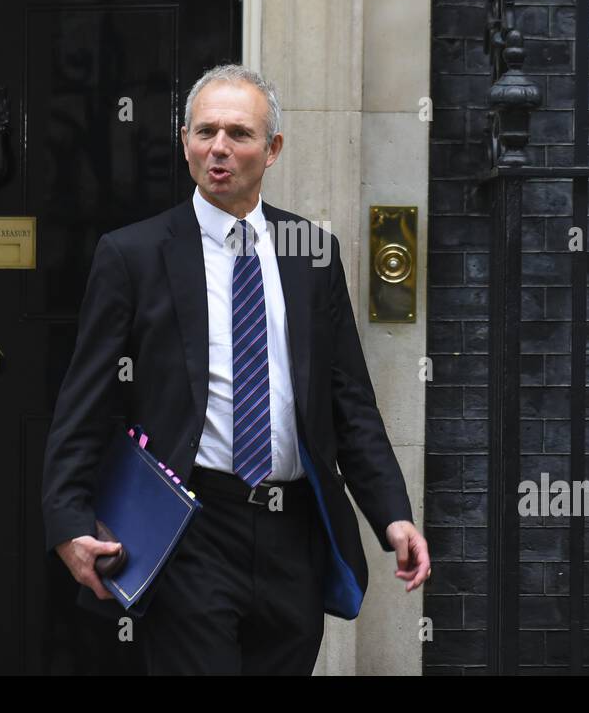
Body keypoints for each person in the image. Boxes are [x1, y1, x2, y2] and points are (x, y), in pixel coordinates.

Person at [41, 63, 430, 675]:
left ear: (272, 149)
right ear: (185, 141)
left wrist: (393, 514)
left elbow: (348, 400)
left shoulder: (312, 253)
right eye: (205, 132)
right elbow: (84, 400)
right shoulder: (133, 254)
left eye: (239, 134)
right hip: (191, 526)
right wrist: (68, 521)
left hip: (292, 532)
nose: (218, 148)